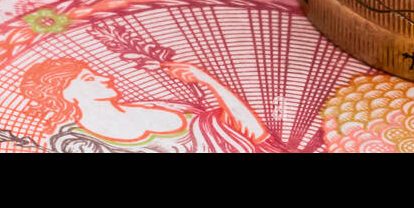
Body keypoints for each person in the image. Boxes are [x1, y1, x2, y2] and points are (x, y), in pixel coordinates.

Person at [17, 56, 270, 152]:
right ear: (66, 94)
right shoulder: (78, 143)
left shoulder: (168, 108)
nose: (105, 77)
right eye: (89, 78)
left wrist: (207, 80)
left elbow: (254, 134)